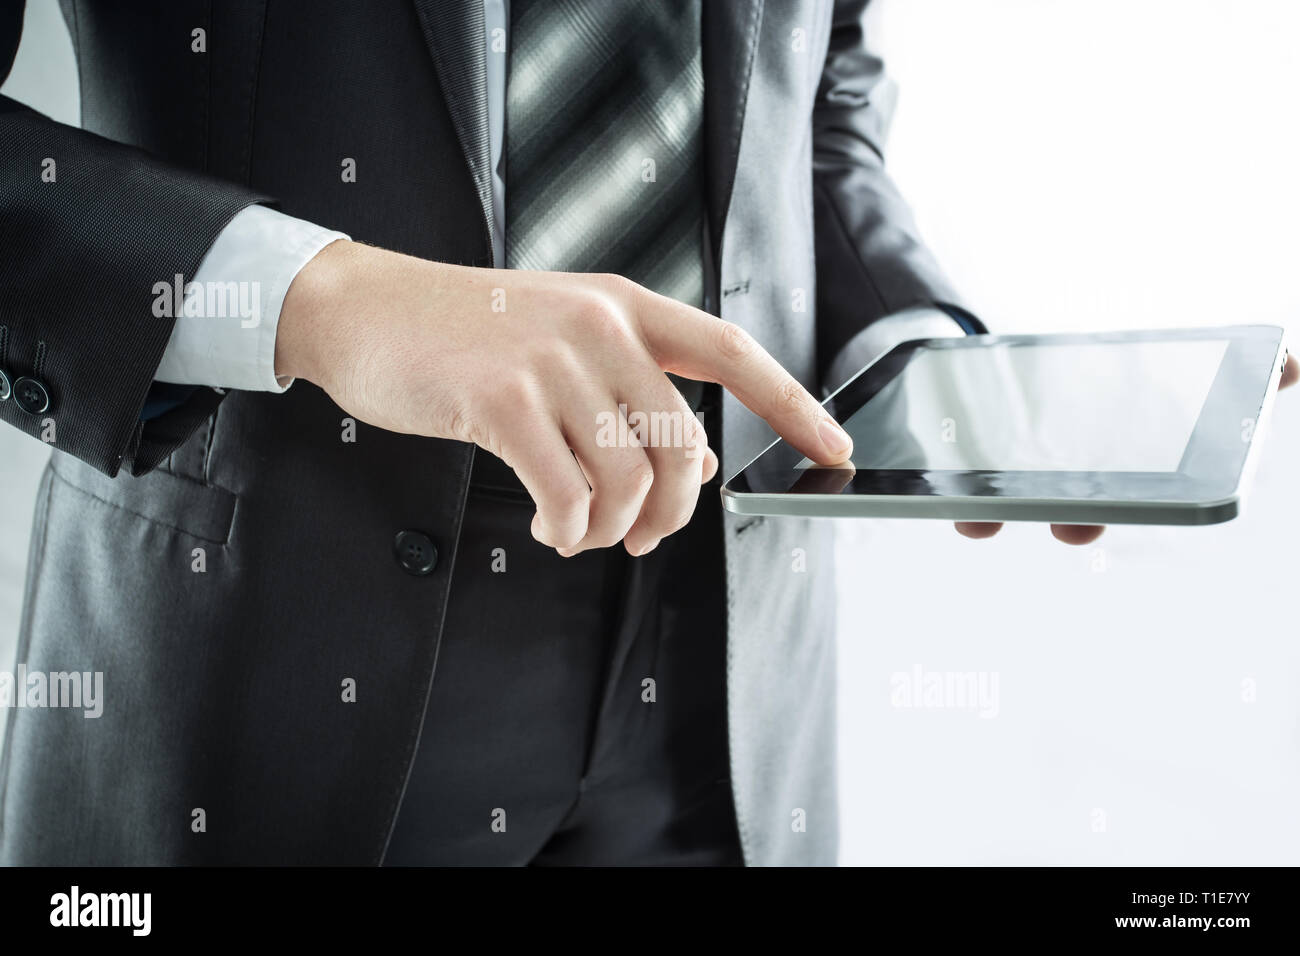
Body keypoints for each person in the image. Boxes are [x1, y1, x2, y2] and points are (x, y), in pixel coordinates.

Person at [1, 0, 1290, 866]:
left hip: (732, 661)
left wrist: (921, 359)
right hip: (261, 630)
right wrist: (316, 296)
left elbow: (819, 113)